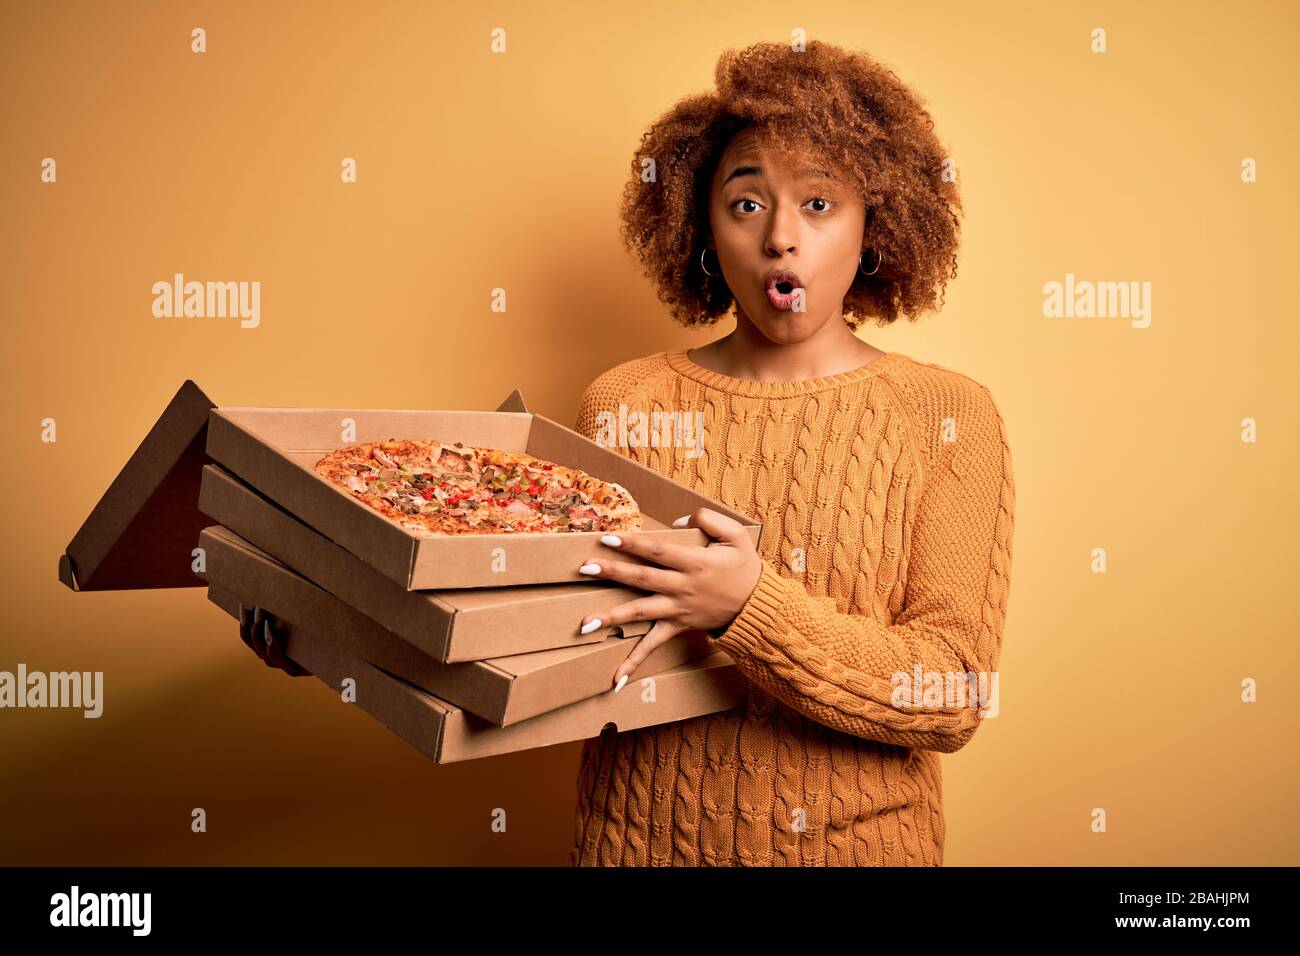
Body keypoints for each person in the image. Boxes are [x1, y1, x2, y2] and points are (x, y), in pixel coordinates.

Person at [565, 39, 1016, 866]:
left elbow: (950, 691)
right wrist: (345, 628)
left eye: (818, 203)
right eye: (746, 204)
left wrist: (749, 608)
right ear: (699, 226)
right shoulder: (625, 402)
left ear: (875, 225)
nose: (780, 237)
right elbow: (556, 628)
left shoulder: (947, 416)